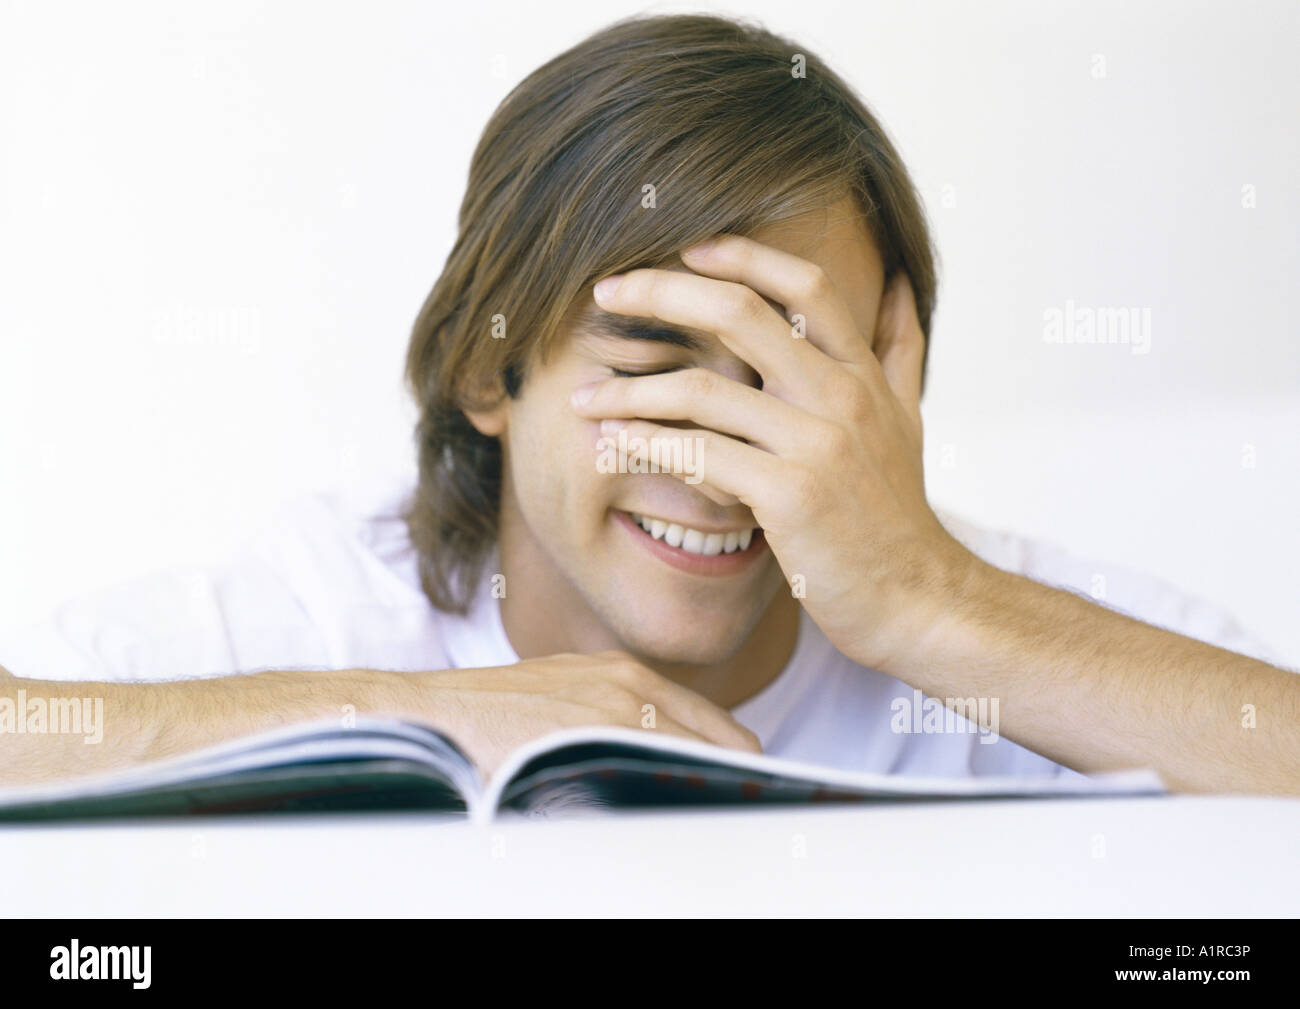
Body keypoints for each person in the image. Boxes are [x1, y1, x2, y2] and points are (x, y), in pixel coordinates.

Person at [1, 14, 1294, 793]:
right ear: (483, 370)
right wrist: (417, 714)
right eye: (648, 359)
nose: (719, 464)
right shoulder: (318, 604)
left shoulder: (989, 627)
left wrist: (933, 607)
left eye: (793, 373)